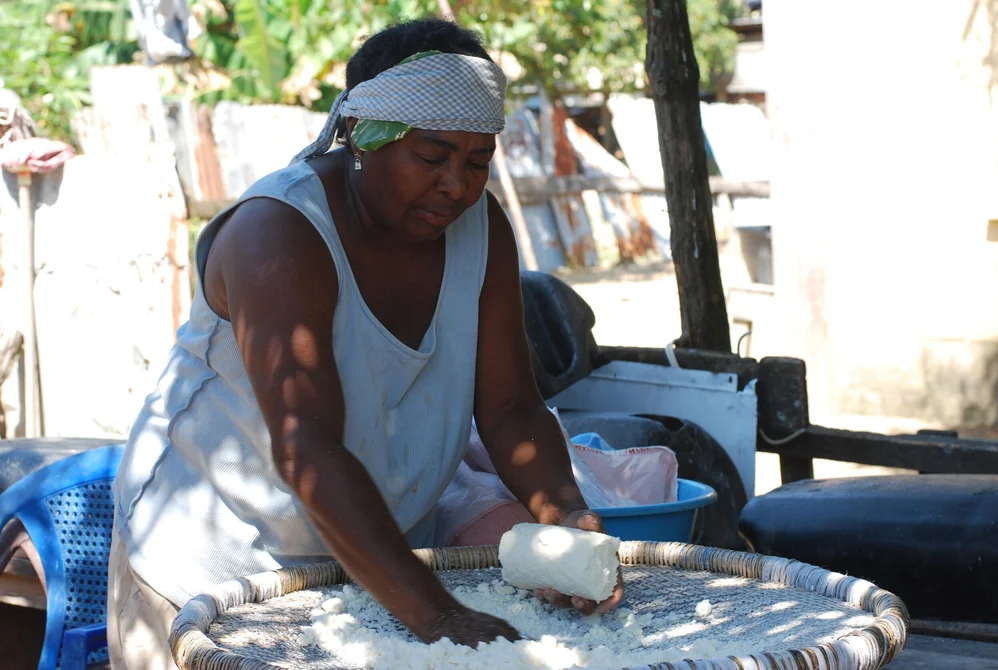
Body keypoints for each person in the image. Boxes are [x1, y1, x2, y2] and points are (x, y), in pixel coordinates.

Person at [107, 18, 623, 669]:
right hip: (215, 565)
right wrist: (437, 614)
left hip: (381, 567)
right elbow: (307, 446)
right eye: (432, 158)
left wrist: (567, 514)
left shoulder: (481, 229)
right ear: (360, 135)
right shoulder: (280, 232)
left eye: (477, 161)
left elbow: (510, 408)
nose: (457, 187)